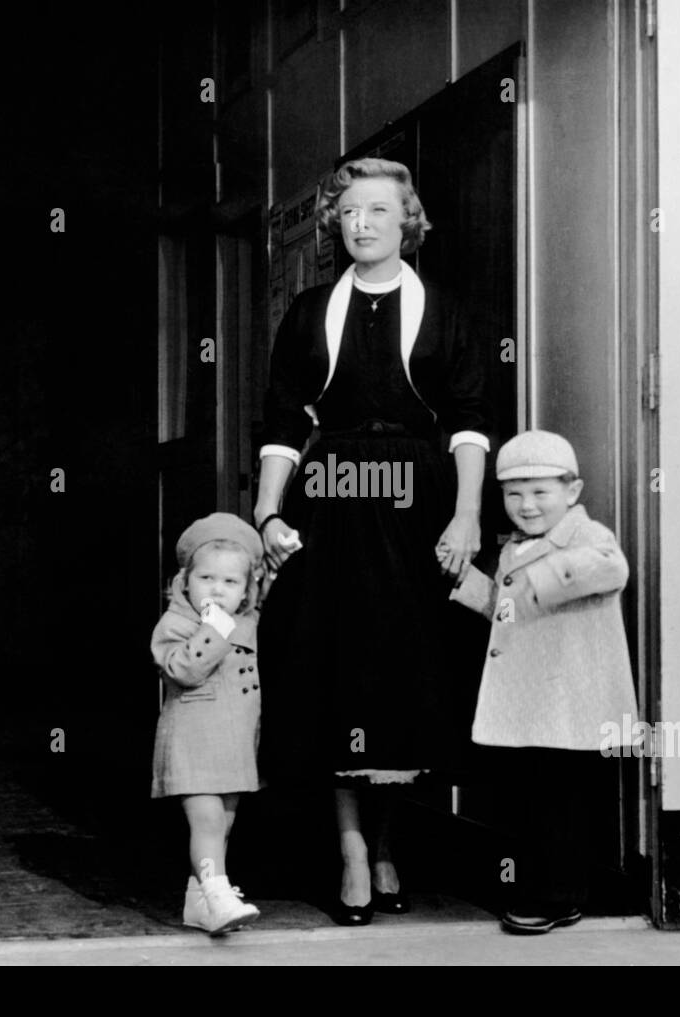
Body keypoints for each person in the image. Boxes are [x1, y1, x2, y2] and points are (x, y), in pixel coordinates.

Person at [254, 157, 491, 925]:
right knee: (336, 670)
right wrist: (267, 516)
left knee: (407, 674)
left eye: (378, 211)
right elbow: (284, 425)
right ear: (336, 225)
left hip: (418, 502)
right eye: (349, 212)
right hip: (333, 499)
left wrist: (465, 515)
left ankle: (388, 843)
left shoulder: (448, 314)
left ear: (406, 223)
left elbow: (467, 424)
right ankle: (353, 851)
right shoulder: (308, 313)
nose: (362, 224)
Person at [448, 430, 637, 934]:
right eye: (513, 493)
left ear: (572, 492)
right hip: (536, 699)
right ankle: (552, 890)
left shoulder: (584, 535)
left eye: (540, 492)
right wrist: (467, 584)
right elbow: (510, 610)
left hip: (571, 697)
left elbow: (611, 567)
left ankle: (556, 896)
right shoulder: (516, 547)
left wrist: (546, 575)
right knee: (536, 801)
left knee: (563, 803)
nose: (526, 505)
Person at [151, 512, 266, 936]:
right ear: (185, 581)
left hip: (235, 745)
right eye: (206, 578)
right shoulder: (178, 623)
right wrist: (214, 630)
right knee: (208, 822)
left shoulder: (249, 620)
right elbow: (181, 669)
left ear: (247, 589)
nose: (217, 589)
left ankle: (199, 902)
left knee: (226, 823)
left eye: (230, 582)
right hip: (192, 741)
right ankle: (218, 895)